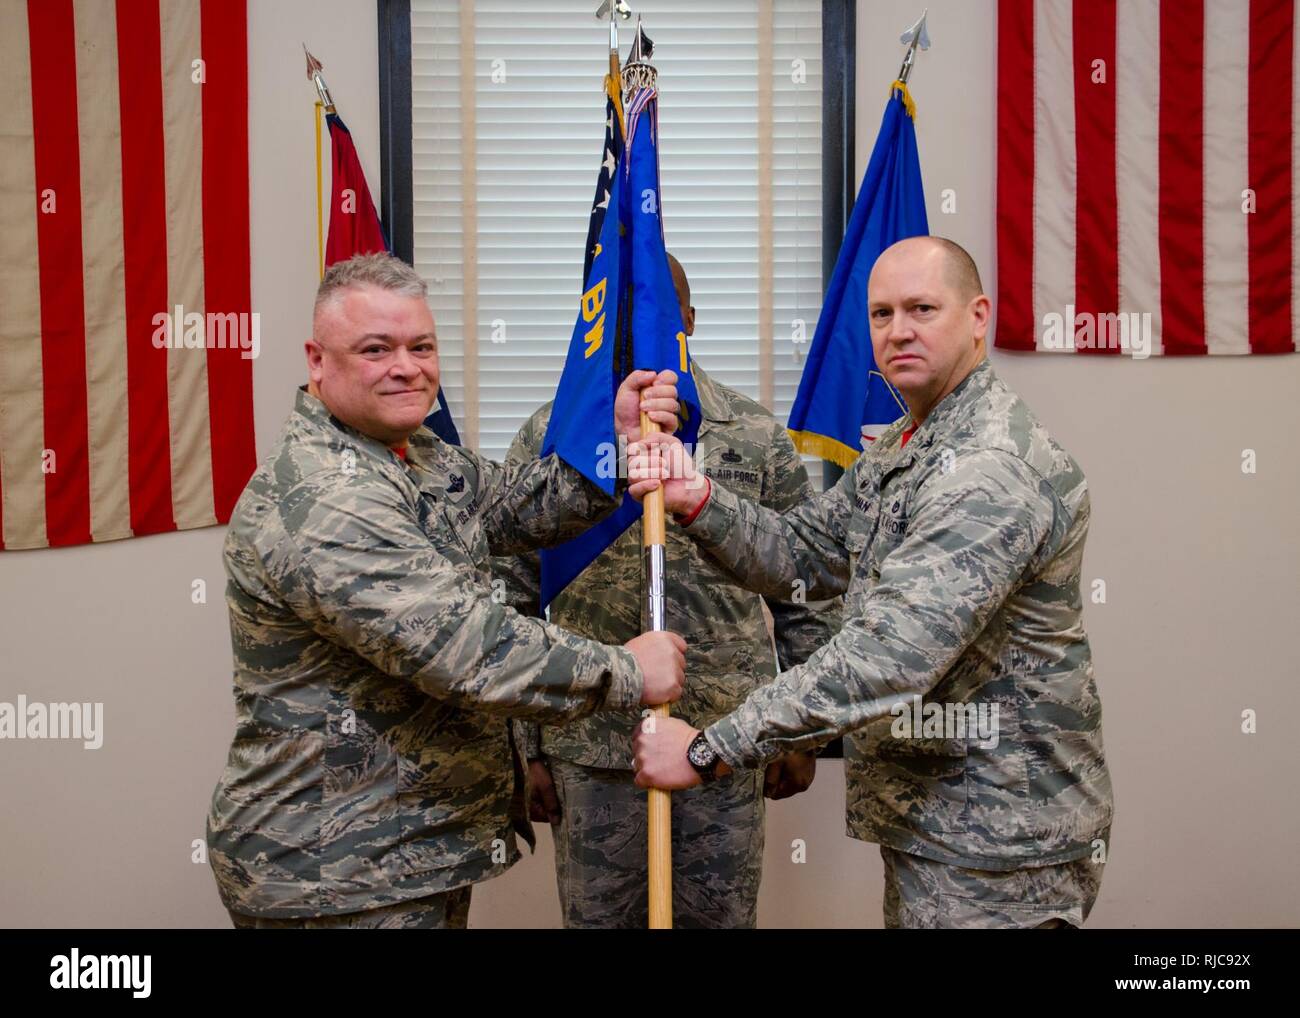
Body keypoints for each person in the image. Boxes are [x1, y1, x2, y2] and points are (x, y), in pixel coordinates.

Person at [629, 236, 1114, 929]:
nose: (899, 331)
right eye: (882, 314)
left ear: (979, 317)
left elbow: (887, 660)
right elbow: (806, 556)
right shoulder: (909, 443)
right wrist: (698, 497)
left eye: (922, 308)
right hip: (945, 826)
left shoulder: (988, 469)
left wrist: (710, 749)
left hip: (1002, 845)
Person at [207, 252, 686, 929]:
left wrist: (614, 438)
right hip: (335, 872)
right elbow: (468, 649)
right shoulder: (327, 497)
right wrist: (629, 670)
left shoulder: (412, 454)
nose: (406, 366)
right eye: (376, 349)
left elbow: (519, 506)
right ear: (317, 361)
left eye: (420, 346)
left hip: (397, 852)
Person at [495, 254, 840, 928]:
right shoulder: (553, 439)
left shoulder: (755, 436)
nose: (644, 328)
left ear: (690, 317)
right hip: (588, 746)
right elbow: (509, 593)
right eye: (627, 313)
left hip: (724, 738)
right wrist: (523, 745)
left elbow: (804, 589)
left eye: (661, 310)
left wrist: (805, 734)